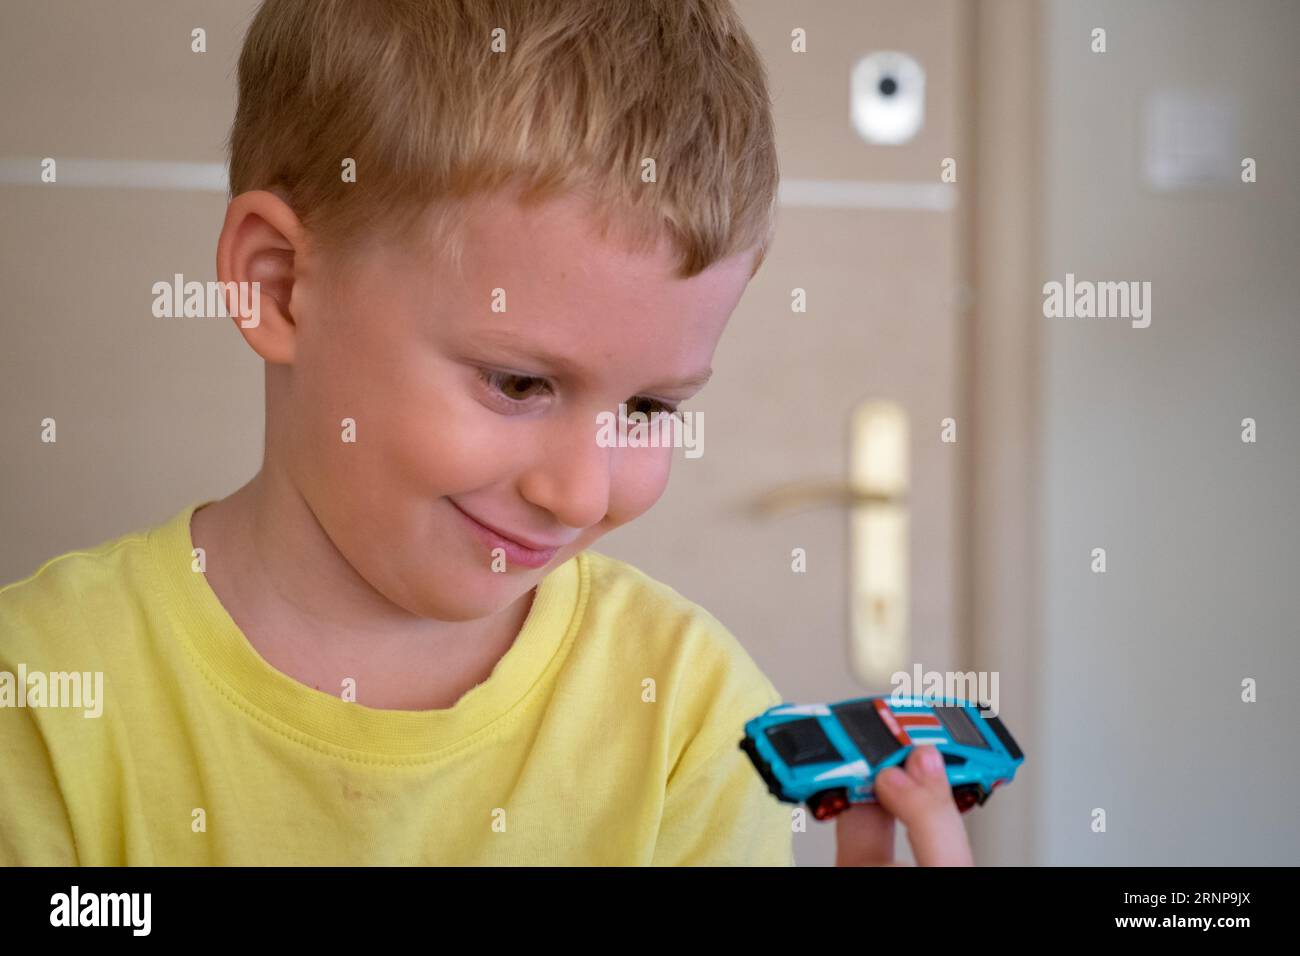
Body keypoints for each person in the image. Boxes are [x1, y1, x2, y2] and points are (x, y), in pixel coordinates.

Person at [0, 0, 971, 866]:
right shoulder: (41, 698)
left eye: (648, 409)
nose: (584, 494)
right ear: (278, 284)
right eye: (519, 381)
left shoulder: (685, 713)